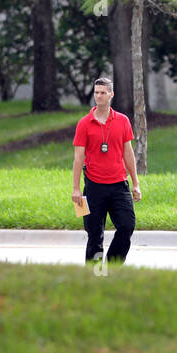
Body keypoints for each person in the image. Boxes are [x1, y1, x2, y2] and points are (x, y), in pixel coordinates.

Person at [72, 76, 141, 265]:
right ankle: (94, 275)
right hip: (93, 187)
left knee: (127, 226)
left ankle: (112, 267)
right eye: (96, 92)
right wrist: (76, 189)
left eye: (103, 92)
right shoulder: (84, 124)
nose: (99, 96)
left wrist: (136, 184)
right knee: (94, 234)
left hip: (119, 185)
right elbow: (78, 158)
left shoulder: (123, 121)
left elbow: (128, 153)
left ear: (111, 94)